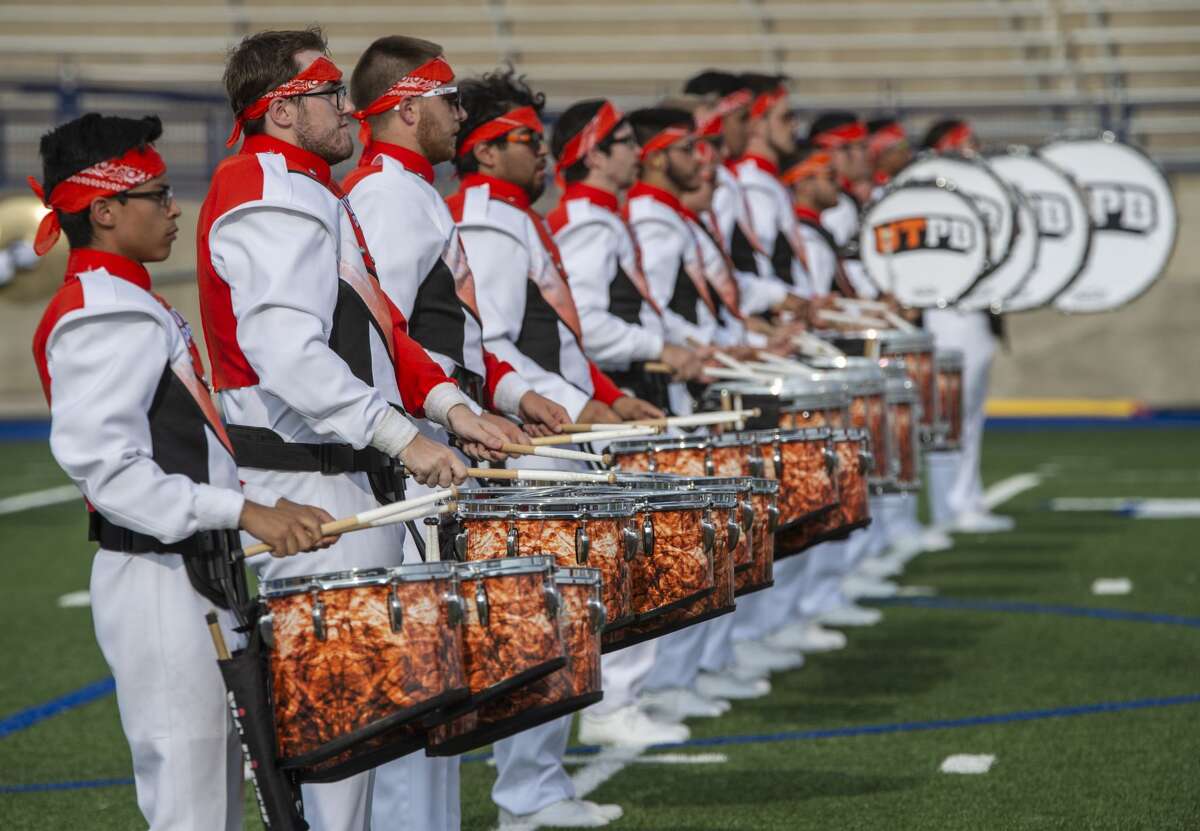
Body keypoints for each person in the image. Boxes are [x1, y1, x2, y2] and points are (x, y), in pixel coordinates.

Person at [198, 28, 502, 831]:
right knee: (341, 734)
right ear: (285, 111)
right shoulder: (266, 187)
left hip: (339, 472)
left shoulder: (308, 189)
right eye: (332, 94)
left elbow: (384, 331)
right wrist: (408, 439)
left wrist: (453, 410)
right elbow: (289, 356)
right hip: (307, 481)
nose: (348, 109)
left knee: (364, 729)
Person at [30, 112, 337, 830]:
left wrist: (262, 504)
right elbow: (113, 474)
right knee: (192, 805)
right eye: (158, 194)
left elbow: (181, 448)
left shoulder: (128, 300)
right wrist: (246, 513)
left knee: (217, 794)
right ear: (104, 210)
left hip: (193, 573)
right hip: (160, 583)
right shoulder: (100, 313)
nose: (175, 209)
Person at [340, 36, 575, 831]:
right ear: (407, 107)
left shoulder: (411, 192)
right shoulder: (384, 194)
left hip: (441, 439)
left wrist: (502, 395)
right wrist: (432, 430)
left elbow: (449, 338)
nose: (459, 115)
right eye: (447, 101)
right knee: (414, 679)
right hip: (414, 456)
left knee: (437, 679)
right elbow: (385, 342)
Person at [450, 68, 652, 830]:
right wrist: (577, 405)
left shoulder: (509, 214)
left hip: (552, 431)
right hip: (532, 443)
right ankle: (525, 795)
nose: (545, 154)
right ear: (486, 151)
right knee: (542, 617)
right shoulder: (489, 222)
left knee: (566, 615)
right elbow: (492, 342)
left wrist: (600, 388)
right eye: (530, 141)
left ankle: (541, 785)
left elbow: (551, 334)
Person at [547, 99, 701, 412]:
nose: (639, 152)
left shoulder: (602, 217)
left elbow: (645, 310)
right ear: (594, 156)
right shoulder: (587, 224)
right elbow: (583, 323)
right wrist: (660, 348)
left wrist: (694, 344)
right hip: (617, 396)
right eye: (627, 143)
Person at [920, 118, 1014, 535]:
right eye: (965, 143)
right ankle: (949, 507)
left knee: (969, 416)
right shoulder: (926, 193)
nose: (975, 149)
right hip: (947, 314)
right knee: (948, 416)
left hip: (973, 314)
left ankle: (967, 498)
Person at [683, 70, 806, 333]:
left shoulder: (734, 179)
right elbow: (716, 269)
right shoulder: (729, 182)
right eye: (743, 118)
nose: (751, 127)